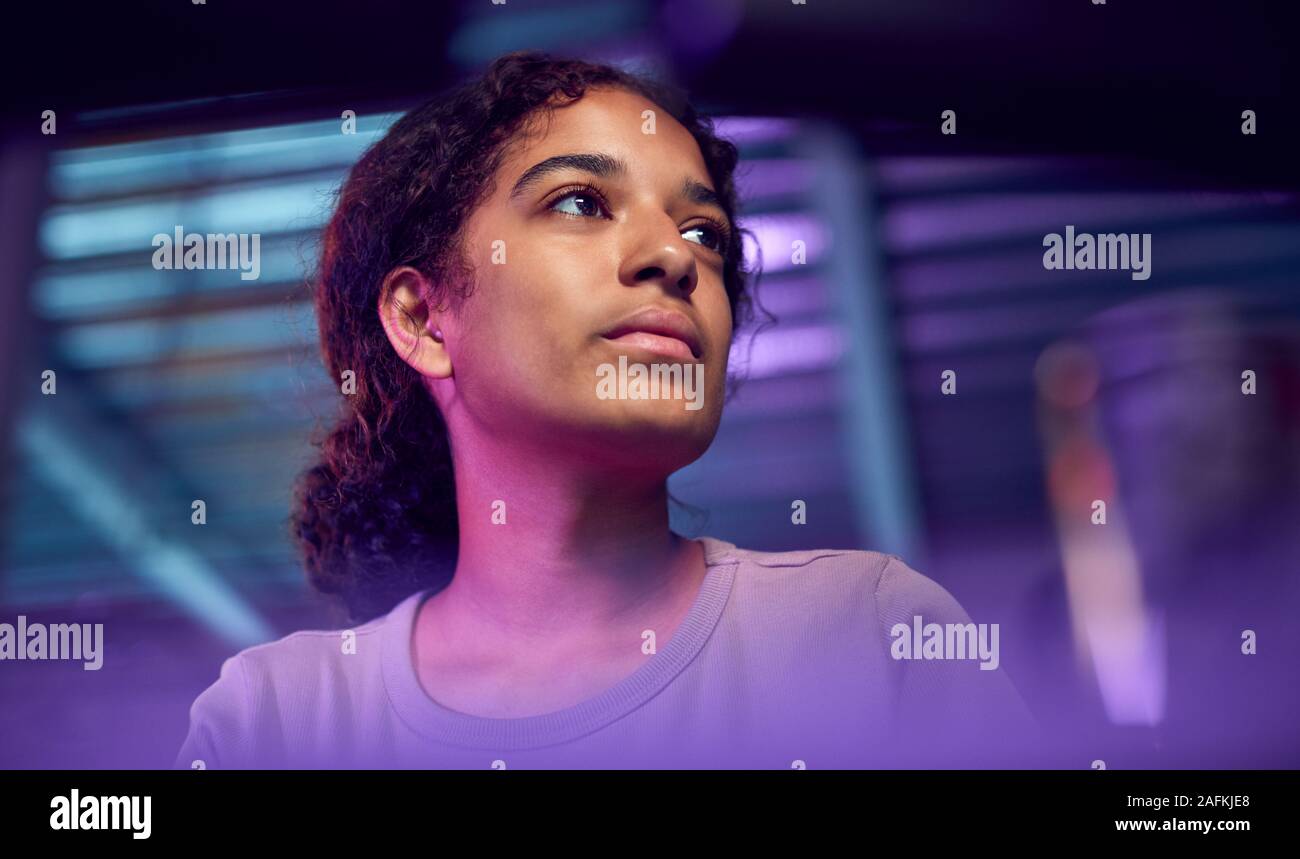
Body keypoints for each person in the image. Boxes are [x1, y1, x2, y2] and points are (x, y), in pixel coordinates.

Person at [175, 50, 1035, 770]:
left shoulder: (871, 634)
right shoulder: (276, 723)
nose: (674, 256)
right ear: (422, 319)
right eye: (581, 202)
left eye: (706, 234)